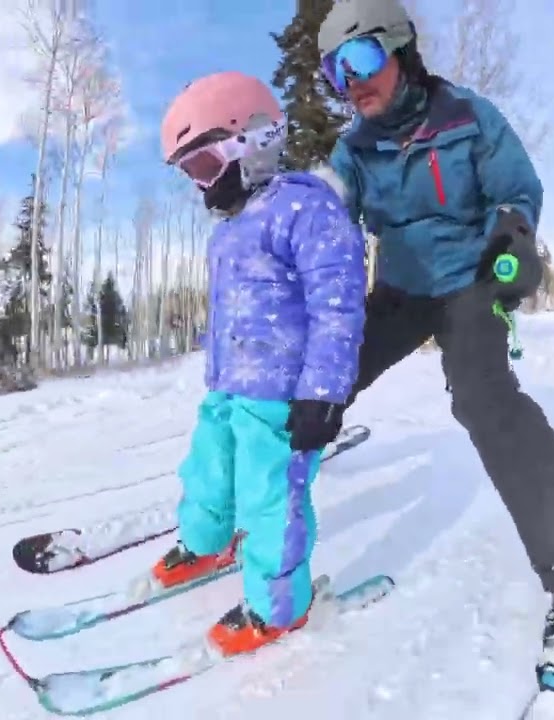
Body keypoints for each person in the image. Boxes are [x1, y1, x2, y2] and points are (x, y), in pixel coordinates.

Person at [313, 0, 554, 694]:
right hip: (399, 289)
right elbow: (327, 211)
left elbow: (517, 186)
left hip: (468, 282)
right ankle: (263, 504)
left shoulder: (466, 117)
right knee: (315, 376)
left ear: (400, 49)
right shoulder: (353, 151)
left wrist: (512, 234)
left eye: (360, 61)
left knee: (485, 400)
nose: (350, 83)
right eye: (335, 73)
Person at [149, 70, 368, 657]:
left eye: (202, 165)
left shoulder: (304, 209)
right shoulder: (227, 231)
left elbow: (338, 305)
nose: (200, 186)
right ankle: (207, 542)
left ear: (250, 140)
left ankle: (279, 608)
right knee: (209, 470)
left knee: (272, 499)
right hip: (228, 387)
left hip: (282, 397)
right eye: (189, 173)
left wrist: (324, 393)